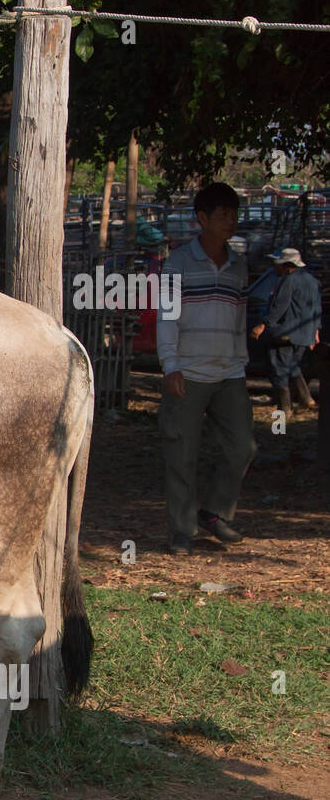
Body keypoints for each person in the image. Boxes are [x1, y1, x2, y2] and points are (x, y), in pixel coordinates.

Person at [157, 182, 256, 556]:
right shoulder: (178, 263)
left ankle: (214, 513)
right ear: (202, 219)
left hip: (229, 373)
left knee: (242, 447)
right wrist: (171, 366)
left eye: (234, 215)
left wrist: (240, 363)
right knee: (182, 453)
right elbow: (168, 316)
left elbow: (239, 319)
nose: (230, 222)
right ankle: (181, 532)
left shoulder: (238, 266)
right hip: (187, 372)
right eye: (222, 215)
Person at [250, 246, 321, 415]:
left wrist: (263, 324)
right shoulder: (313, 281)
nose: (274, 266)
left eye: (277, 263)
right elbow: (317, 309)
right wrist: (316, 331)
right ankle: (307, 399)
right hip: (305, 334)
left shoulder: (287, 281)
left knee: (279, 369)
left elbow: (279, 306)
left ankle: (285, 408)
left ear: (286, 265)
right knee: (294, 367)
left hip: (285, 333)